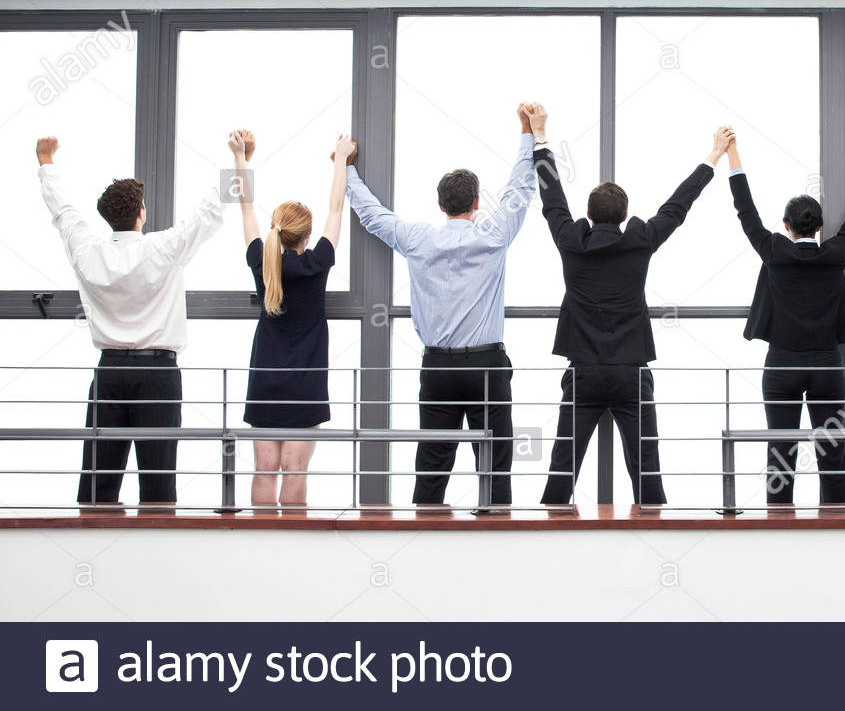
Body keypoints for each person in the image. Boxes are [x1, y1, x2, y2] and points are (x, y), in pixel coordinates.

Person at [533, 104, 732, 505]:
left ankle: (549, 527)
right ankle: (653, 526)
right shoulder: (639, 240)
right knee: (646, 465)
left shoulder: (571, 241)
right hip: (630, 372)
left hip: (584, 371)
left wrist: (540, 136)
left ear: (588, 215)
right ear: (625, 215)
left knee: (562, 463)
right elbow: (678, 207)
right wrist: (713, 155)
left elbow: (552, 199)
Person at [347, 103, 538, 506]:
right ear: (476, 203)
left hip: (438, 366)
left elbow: (370, 214)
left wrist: (346, 169)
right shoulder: (493, 233)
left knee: (433, 458)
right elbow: (521, 189)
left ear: (441, 205)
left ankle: (427, 526)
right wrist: (527, 133)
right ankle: (495, 524)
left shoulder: (419, 238)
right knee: (495, 458)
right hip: (486, 364)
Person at [36, 134, 227, 506]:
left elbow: (64, 213)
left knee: (98, 481)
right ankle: (154, 554)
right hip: (157, 374)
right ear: (142, 213)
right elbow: (210, 213)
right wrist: (240, 163)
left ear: (108, 217)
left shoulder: (88, 252)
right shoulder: (163, 248)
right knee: (158, 483)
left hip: (109, 371)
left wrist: (46, 162)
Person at [725, 127, 845, 506]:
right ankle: (837, 522)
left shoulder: (775, 250)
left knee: (780, 451)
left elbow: (746, 211)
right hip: (827, 365)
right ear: (820, 226)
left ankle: (780, 524)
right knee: (832, 455)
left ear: (786, 226)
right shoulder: (836, 253)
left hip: (782, 367)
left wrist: (732, 154)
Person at [232, 130, 354, 508]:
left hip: (266, 377)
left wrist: (240, 158)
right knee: (295, 469)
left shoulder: (261, 262)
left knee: (264, 467)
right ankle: (292, 543)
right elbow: (336, 209)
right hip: (306, 380)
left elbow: (245, 207)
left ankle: (262, 539)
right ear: (307, 234)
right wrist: (339, 160)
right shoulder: (316, 264)